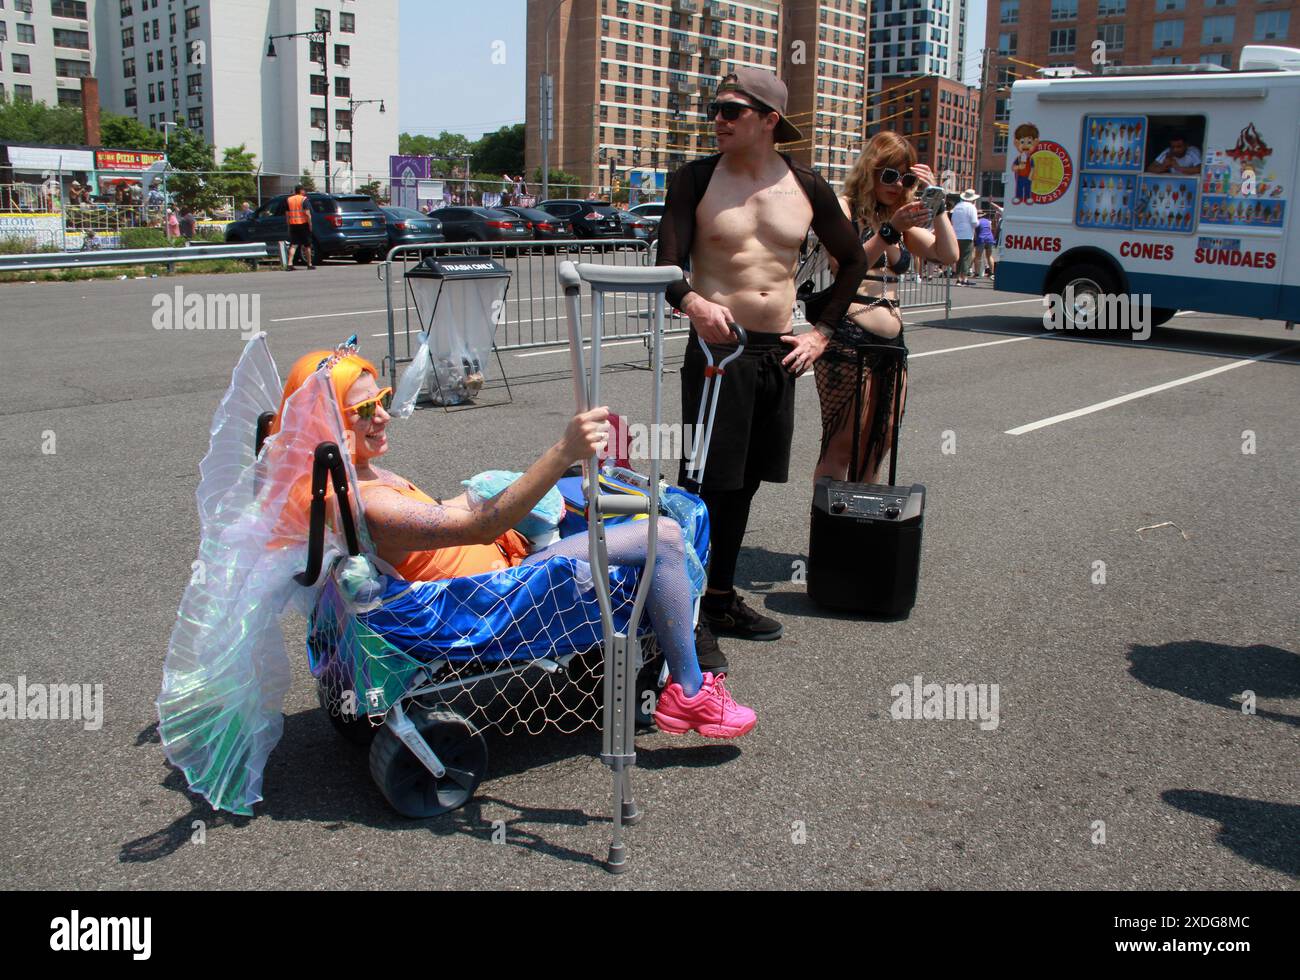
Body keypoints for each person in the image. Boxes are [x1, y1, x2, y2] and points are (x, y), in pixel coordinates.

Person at [270, 347, 758, 739]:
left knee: (585, 499)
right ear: (324, 423)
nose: (383, 415)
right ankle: (690, 692)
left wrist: (501, 486)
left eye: (382, 398)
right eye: (363, 410)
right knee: (665, 535)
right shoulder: (366, 503)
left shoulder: (343, 477)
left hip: (489, 577)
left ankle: (655, 663)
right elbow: (478, 527)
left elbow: (440, 517)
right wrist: (561, 451)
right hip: (490, 601)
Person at [655, 67, 868, 654]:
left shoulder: (807, 186)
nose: (717, 120)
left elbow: (851, 259)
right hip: (718, 351)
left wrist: (823, 330)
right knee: (701, 482)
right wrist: (693, 302)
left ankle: (719, 597)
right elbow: (668, 264)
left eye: (730, 111)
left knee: (745, 482)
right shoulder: (695, 180)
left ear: (769, 120)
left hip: (777, 352)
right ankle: (684, 613)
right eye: (714, 110)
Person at [813, 131, 958, 486]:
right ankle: (831, 531)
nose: (897, 185)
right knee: (844, 442)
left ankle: (863, 527)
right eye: (889, 175)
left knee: (880, 440)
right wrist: (890, 231)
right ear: (870, 170)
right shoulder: (844, 207)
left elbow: (948, 254)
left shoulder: (897, 216)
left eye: (905, 178)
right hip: (847, 337)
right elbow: (846, 264)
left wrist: (936, 204)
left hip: (892, 341)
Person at [950, 189, 979, 286]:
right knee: (966, 257)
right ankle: (964, 278)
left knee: (958, 257)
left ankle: (958, 278)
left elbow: (953, 221)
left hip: (956, 234)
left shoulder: (957, 207)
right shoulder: (971, 207)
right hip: (967, 235)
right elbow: (975, 222)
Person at [285, 184, 315, 271]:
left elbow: (287, 215)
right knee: (307, 245)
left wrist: (288, 225)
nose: (305, 192)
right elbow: (307, 214)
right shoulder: (304, 199)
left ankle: (289, 264)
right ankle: (309, 264)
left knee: (293, 245)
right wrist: (310, 225)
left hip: (293, 224)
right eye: (304, 190)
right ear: (301, 191)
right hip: (303, 224)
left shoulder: (289, 200)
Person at [974, 210, 996, 279]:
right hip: (990, 238)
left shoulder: (976, 222)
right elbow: (991, 229)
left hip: (981, 238)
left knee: (978, 257)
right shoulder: (988, 221)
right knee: (989, 256)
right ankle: (992, 273)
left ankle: (977, 273)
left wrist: (975, 241)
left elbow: (975, 232)